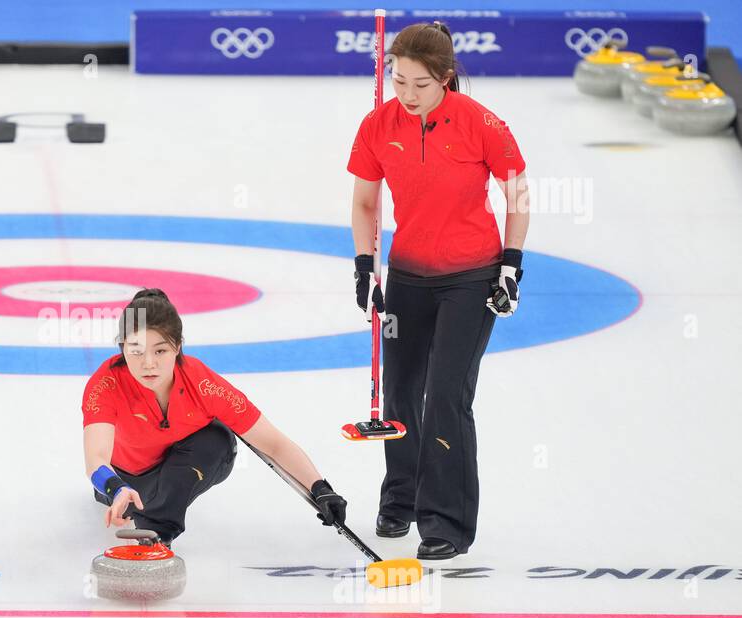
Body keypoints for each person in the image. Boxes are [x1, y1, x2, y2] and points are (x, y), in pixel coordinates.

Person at [347, 21, 530, 560]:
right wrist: (366, 268)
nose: (406, 95)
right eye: (398, 81)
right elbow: (364, 203)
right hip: (407, 274)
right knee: (402, 391)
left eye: (420, 85)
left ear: (446, 80)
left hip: (471, 275)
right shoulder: (378, 125)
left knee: (446, 395)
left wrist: (511, 265)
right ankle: (400, 499)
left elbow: (517, 194)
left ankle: (445, 520)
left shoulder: (481, 124)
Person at [81, 289, 347, 547]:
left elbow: (273, 443)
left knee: (217, 438)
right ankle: (143, 505)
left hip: (175, 475)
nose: (148, 362)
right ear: (122, 347)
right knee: (130, 489)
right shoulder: (105, 385)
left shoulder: (203, 384)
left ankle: (156, 537)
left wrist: (320, 487)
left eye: (160, 351)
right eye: (136, 351)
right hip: (125, 485)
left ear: (178, 347)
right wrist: (115, 488)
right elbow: (96, 458)